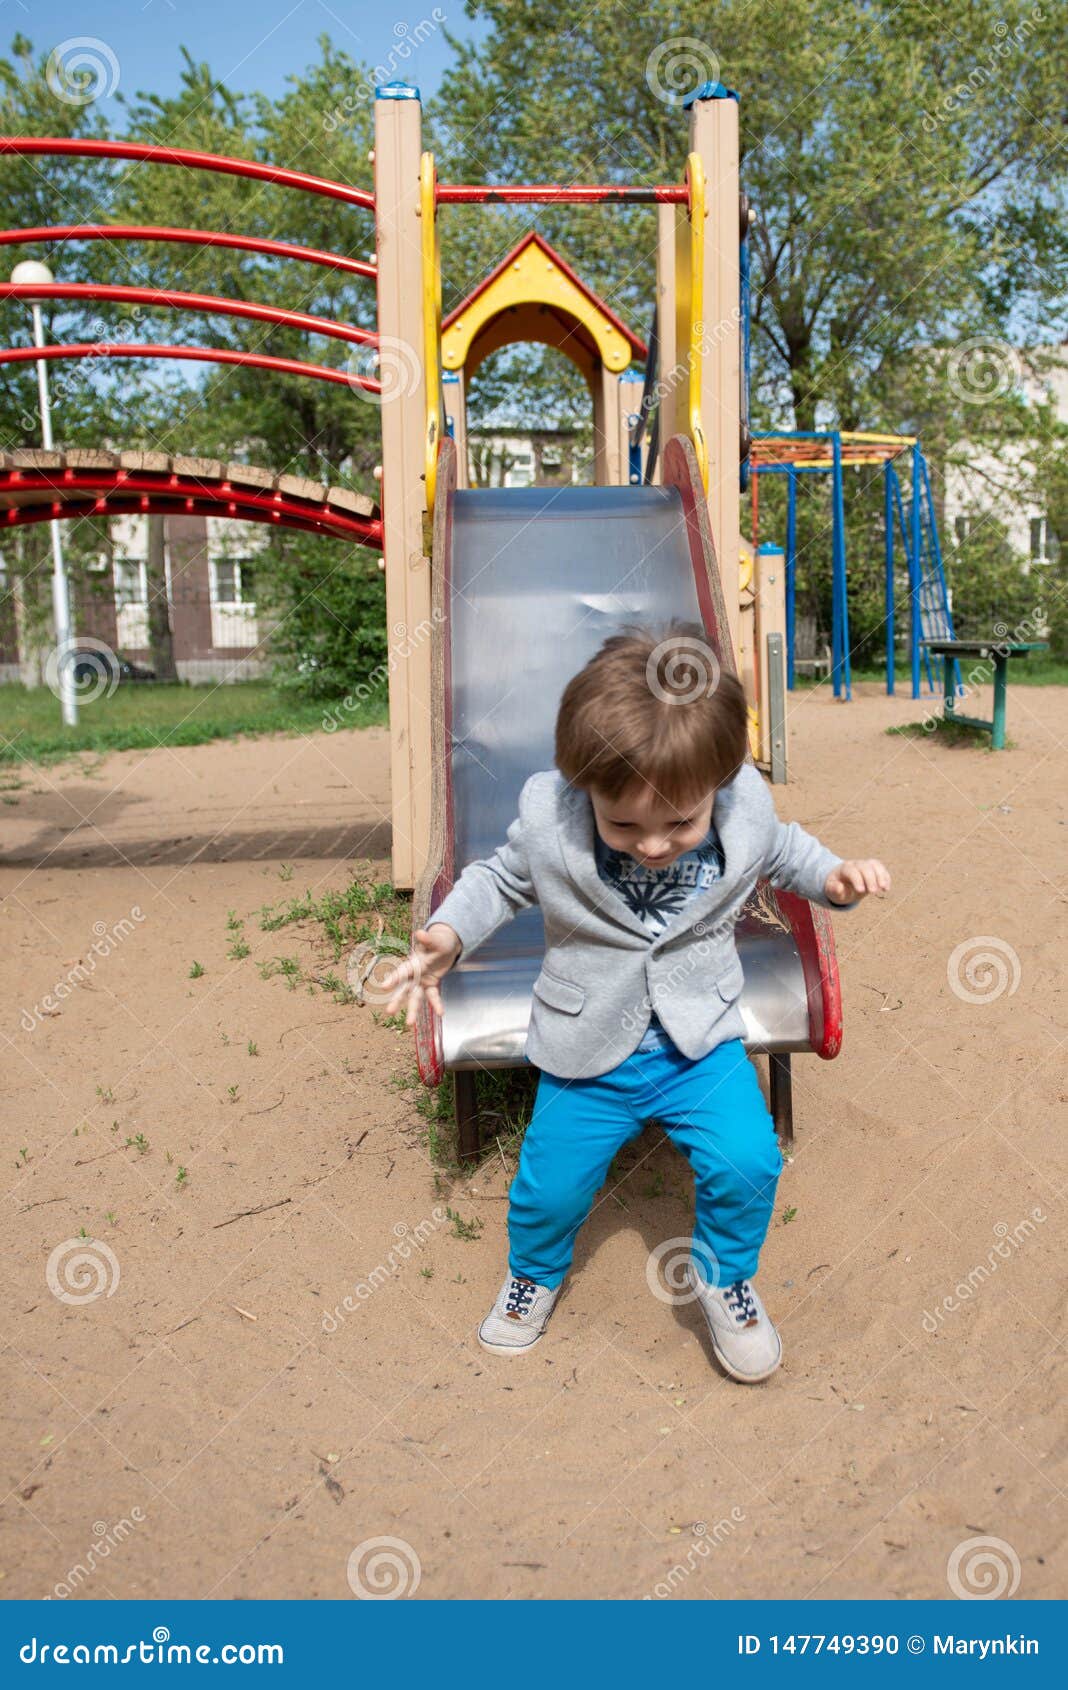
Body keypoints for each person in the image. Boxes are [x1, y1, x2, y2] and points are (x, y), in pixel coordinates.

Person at [381, 623, 890, 1383]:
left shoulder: (742, 803)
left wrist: (834, 879)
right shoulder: (552, 819)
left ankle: (726, 1278)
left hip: (700, 1044)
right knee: (550, 1186)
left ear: (716, 786)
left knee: (748, 1162)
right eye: (624, 825)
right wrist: (449, 934)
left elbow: (784, 850)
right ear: (584, 787)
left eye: (679, 823)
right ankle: (535, 1273)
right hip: (588, 1048)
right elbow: (501, 878)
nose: (653, 845)